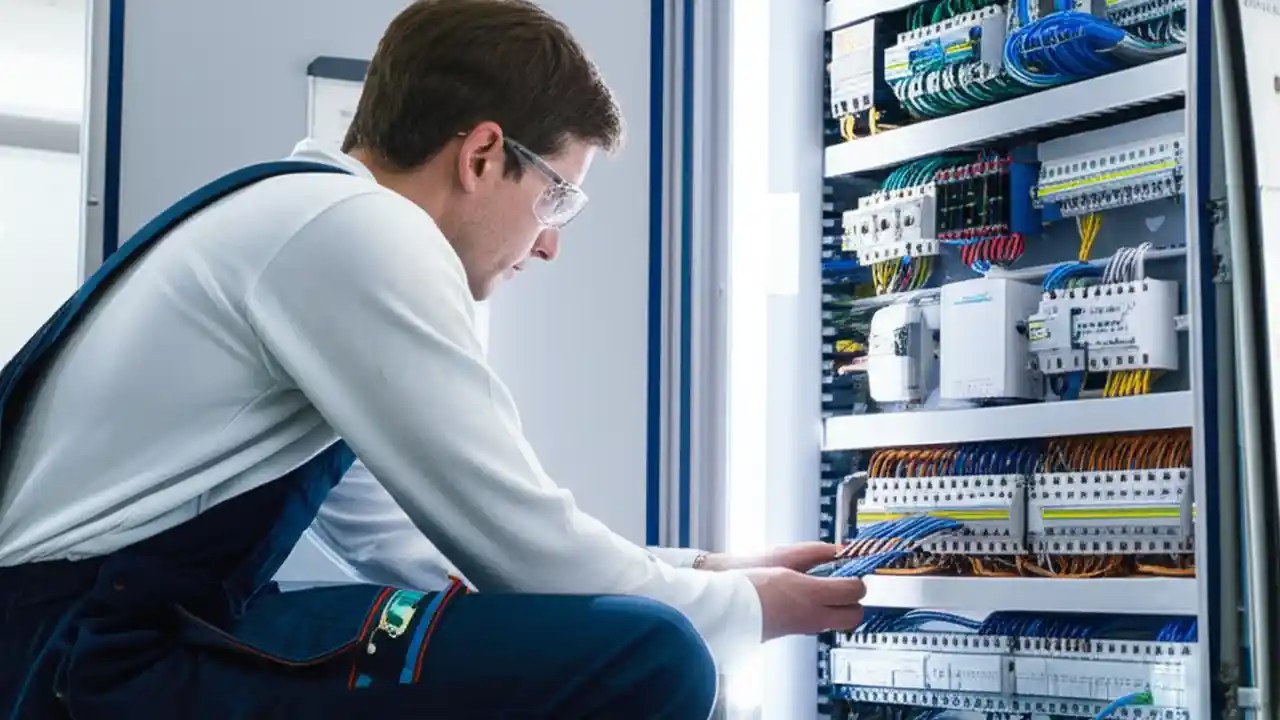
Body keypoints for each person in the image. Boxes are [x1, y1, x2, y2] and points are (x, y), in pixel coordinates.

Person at [0, 1, 867, 717]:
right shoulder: (362, 234)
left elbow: (406, 544)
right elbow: (524, 548)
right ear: (483, 155)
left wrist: (703, 570)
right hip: (88, 659)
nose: (550, 244)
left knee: (621, 634)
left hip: (90, 638)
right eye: (557, 197)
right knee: (654, 656)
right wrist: (748, 611)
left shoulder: (301, 220)